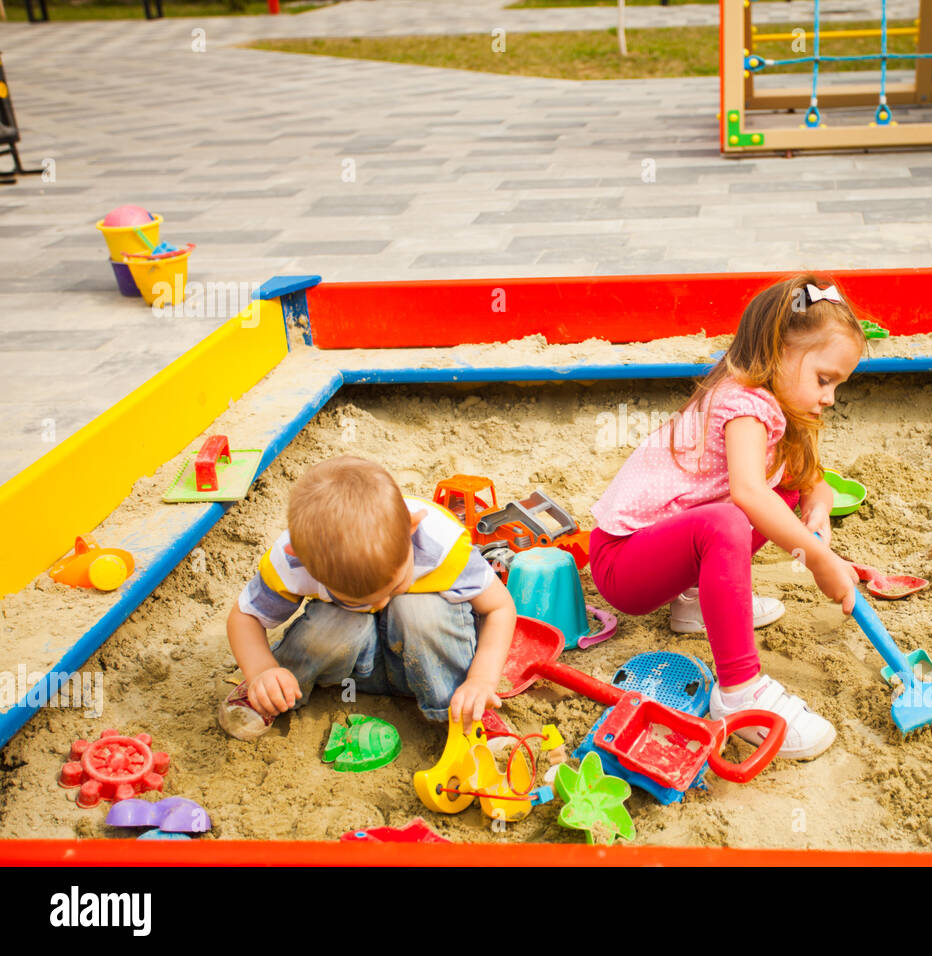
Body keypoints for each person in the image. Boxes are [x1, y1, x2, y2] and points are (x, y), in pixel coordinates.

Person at [588, 274, 866, 760]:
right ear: (777, 352)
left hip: (659, 553)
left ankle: (697, 604)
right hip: (622, 565)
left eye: (837, 385)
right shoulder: (745, 403)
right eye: (824, 379)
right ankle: (739, 693)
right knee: (736, 517)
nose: (830, 398)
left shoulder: (780, 402)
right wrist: (818, 558)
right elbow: (747, 494)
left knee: (773, 494)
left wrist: (816, 509)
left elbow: (811, 482)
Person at [218, 455, 515, 740]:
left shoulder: (441, 545)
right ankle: (274, 695)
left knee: (418, 609)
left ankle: (466, 710)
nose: (382, 604)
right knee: (333, 625)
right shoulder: (295, 561)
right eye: (355, 599)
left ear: (411, 529)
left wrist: (481, 680)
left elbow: (500, 608)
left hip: (429, 661)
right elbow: (245, 616)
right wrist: (261, 670)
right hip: (355, 672)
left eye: (395, 585)